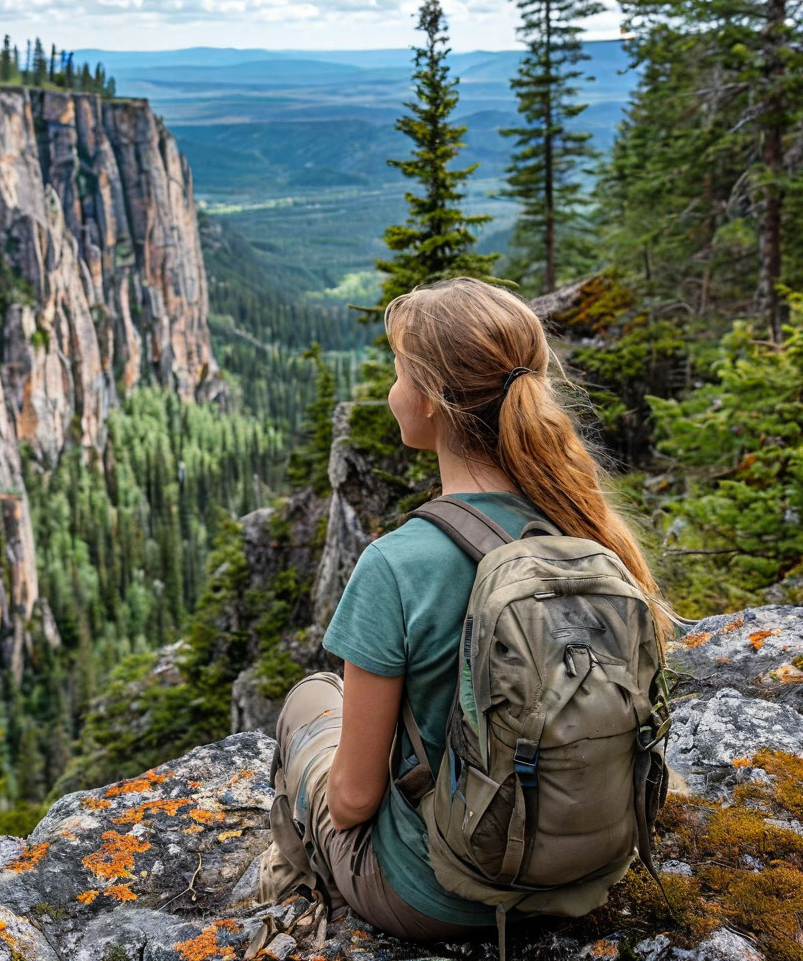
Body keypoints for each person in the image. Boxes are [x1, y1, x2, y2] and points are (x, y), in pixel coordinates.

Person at [258, 276, 667, 941]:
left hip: (433, 895)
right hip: (591, 873)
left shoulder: (396, 564)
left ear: (427, 400)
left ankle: (290, 893)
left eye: (396, 374)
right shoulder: (588, 530)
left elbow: (354, 799)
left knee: (312, 700)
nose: (390, 393)